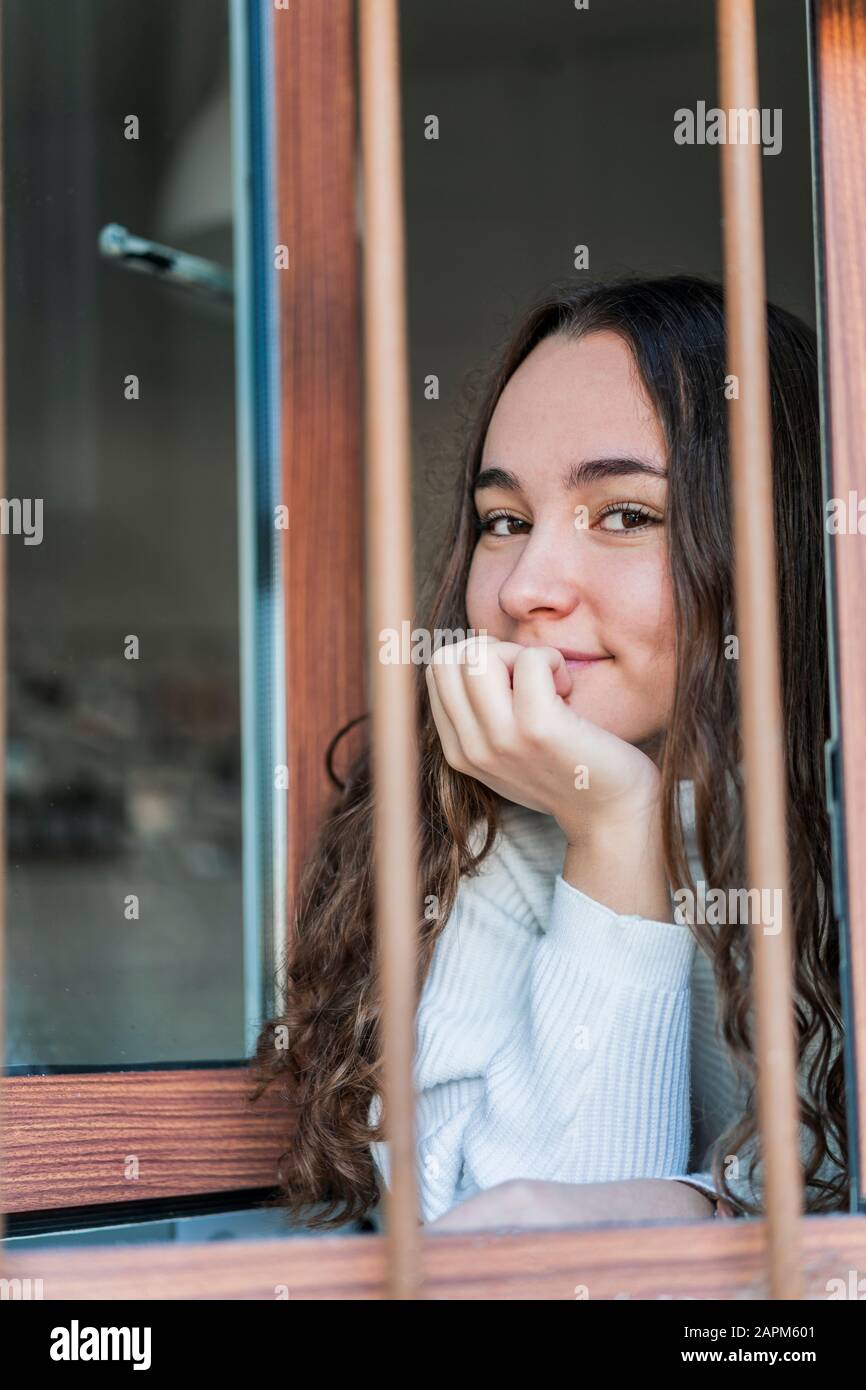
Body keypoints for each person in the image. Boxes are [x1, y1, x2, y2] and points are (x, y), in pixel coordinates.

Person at [250, 275, 847, 1233]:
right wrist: (609, 829)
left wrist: (691, 1214)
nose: (527, 586)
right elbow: (503, 1251)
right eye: (505, 522)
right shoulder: (482, 818)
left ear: (777, 545)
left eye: (625, 514)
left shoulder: (835, 826)